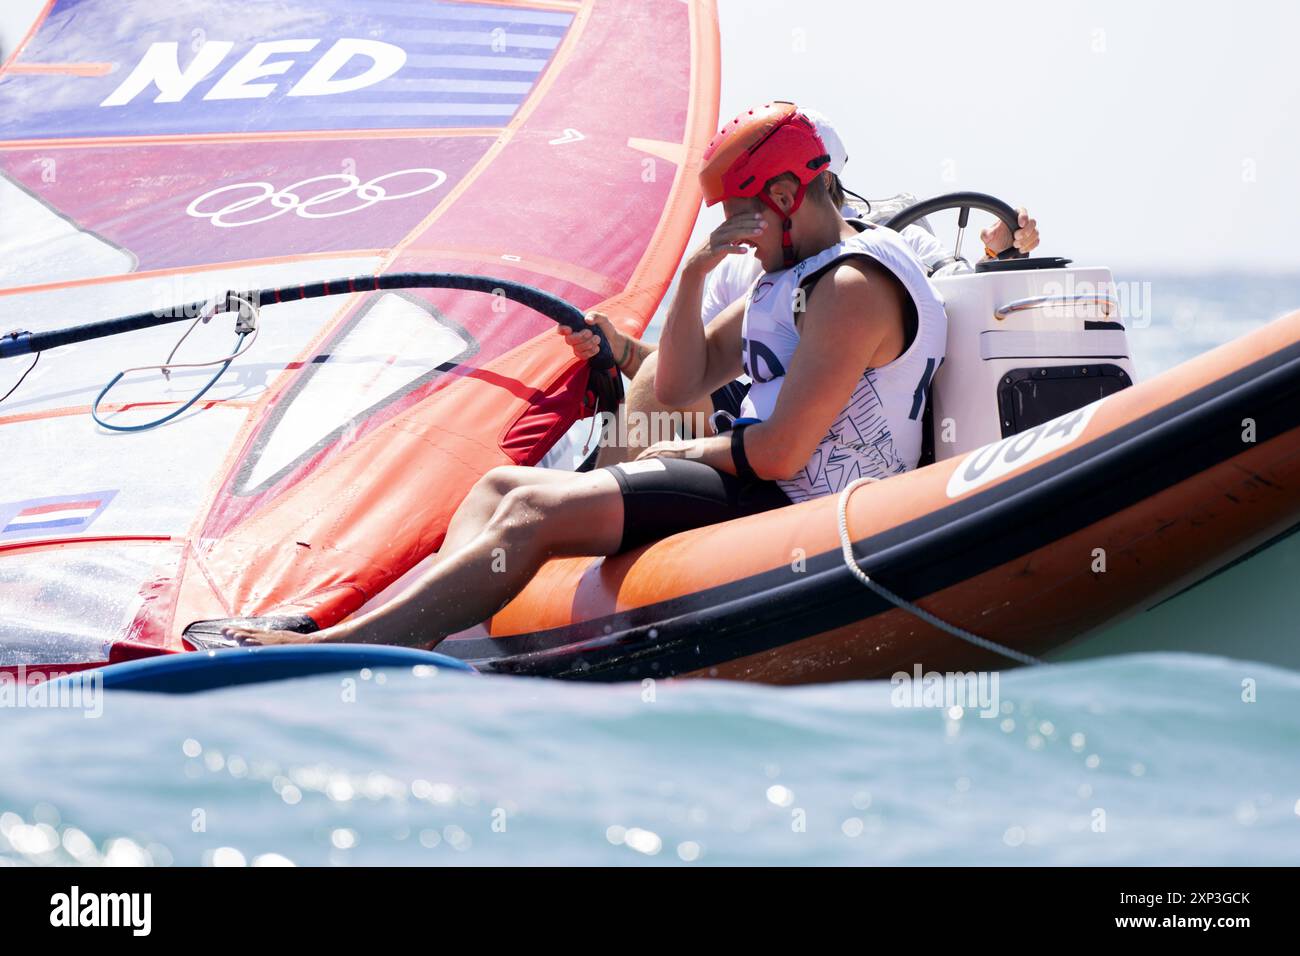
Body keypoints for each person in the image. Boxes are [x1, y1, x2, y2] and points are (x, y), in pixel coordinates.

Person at [220, 102, 951, 649]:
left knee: (534, 514)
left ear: (787, 199)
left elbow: (784, 453)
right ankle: (410, 630)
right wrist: (697, 275)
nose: (737, 235)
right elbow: (676, 383)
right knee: (498, 487)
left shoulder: (851, 287)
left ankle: (343, 651)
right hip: (760, 481)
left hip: (804, 504)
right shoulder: (788, 276)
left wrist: (685, 453)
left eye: (740, 215)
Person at [556, 109, 1039, 467]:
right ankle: (613, 507)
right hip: (749, 418)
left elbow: (956, 291)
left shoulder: (884, 247)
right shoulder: (739, 267)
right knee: (654, 377)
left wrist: (998, 256)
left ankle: (614, 508)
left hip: (833, 435)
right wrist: (622, 349)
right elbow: (684, 373)